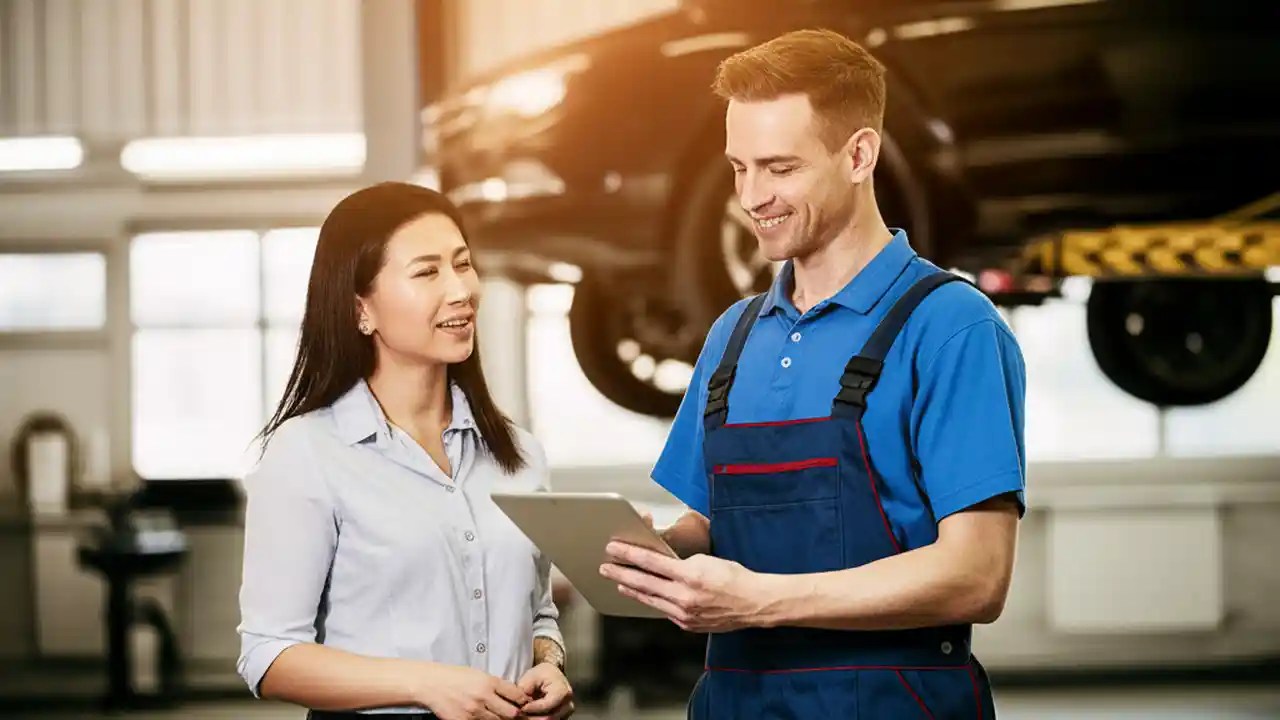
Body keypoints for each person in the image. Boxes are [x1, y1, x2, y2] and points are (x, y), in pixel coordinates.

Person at [601, 29, 1025, 718]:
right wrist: (654, 551)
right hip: (735, 703)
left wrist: (760, 600)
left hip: (894, 704)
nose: (751, 196)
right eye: (739, 167)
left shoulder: (950, 327)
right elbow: (707, 522)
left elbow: (977, 577)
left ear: (859, 154)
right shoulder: (733, 336)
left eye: (779, 167)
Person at [236, 182, 575, 720]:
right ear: (360, 309)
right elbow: (269, 655)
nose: (461, 290)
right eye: (427, 272)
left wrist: (550, 663)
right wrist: (427, 685)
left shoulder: (519, 454)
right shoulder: (308, 453)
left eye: (463, 264)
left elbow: (537, 613)